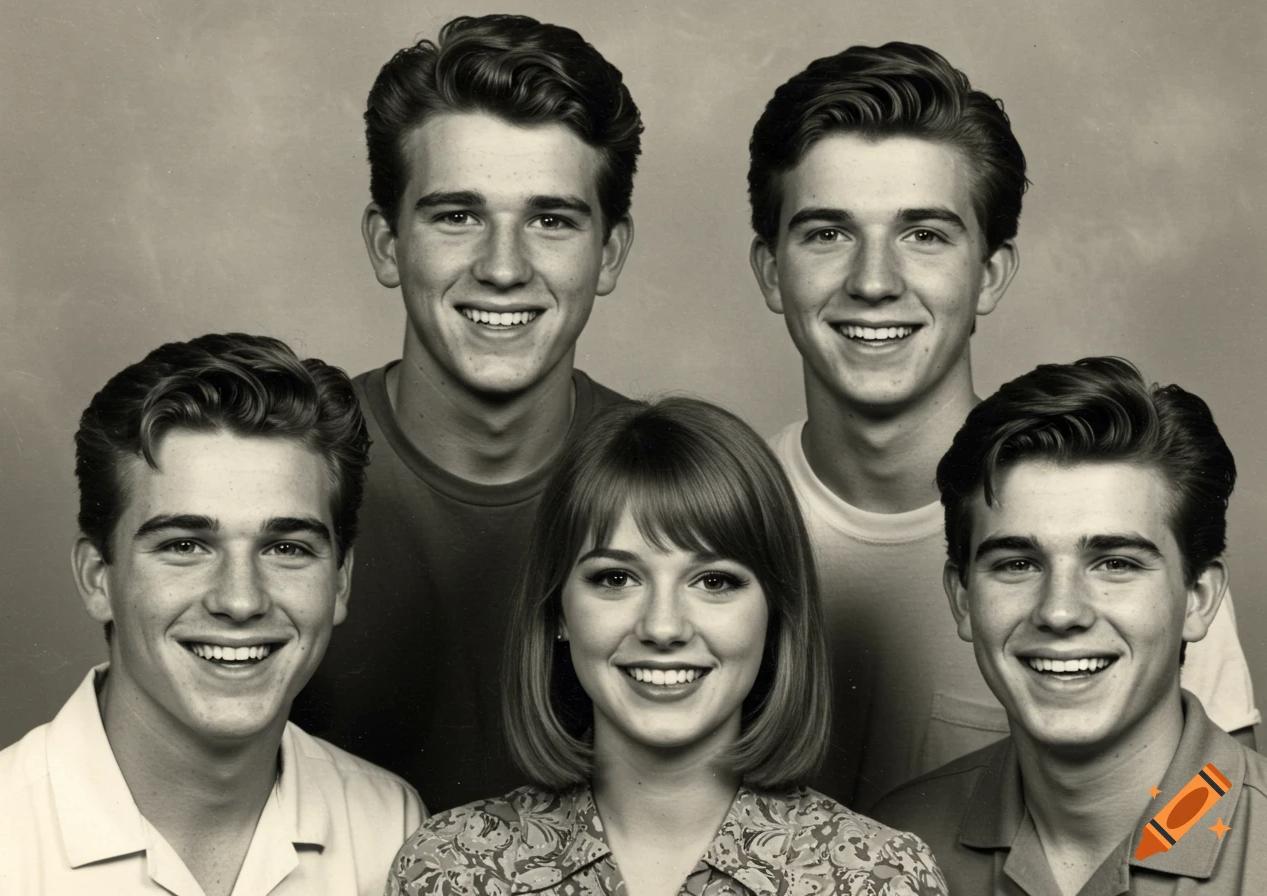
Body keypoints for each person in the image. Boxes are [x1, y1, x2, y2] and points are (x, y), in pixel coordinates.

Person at [746, 42, 1258, 810]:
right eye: (828, 233)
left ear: (989, 273)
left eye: (925, 234)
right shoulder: (710, 528)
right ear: (769, 271)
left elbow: (1221, 802)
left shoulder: (1120, 530)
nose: (874, 282)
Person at [385, 398, 949, 895]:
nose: (662, 627)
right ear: (558, 609)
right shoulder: (451, 870)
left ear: (776, 614)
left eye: (714, 581)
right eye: (615, 579)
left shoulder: (879, 879)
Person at [291, 13, 641, 813]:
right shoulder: (289, 475)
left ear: (610, 252)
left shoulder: (667, 482)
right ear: (387, 244)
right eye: (457, 215)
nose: (504, 267)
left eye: (551, 220)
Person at [0, 334, 425, 895]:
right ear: (98, 577)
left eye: (286, 548)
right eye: (185, 546)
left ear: (340, 582)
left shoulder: (391, 831)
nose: (241, 601)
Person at [871, 357, 1267, 894]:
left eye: (1116, 564)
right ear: (962, 597)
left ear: (1198, 599)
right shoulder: (893, 845)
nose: (1059, 612)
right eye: (1017, 564)